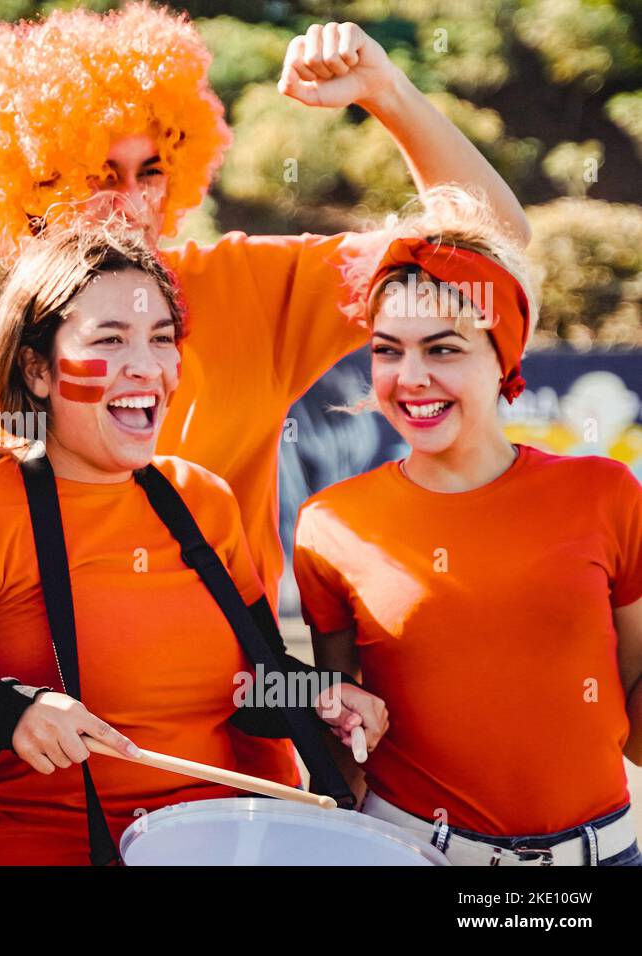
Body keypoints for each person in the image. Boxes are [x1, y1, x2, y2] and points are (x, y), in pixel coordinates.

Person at [0, 4, 532, 808]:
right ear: (29, 189)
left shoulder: (243, 286)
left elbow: (485, 256)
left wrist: (387, 94)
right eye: (101, 177)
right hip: (41, 811)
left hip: (239, 788)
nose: (133, 206)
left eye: (151, 173)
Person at [0, 224, 387, 865]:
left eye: (161, 339)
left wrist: (316, 697)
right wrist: (11, 713)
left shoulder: (201, 501)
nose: (145, 366)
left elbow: (253, 688)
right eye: (110, 340)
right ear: (37, 369)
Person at [293, 187, 642, 866]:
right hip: (410, 854)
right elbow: (345, 745)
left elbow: (637, 732)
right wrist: (325, 714)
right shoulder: (328, 524)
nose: (411, 377)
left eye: (444, 349)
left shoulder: (606, 494)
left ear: (502, 356)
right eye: (388, 350)